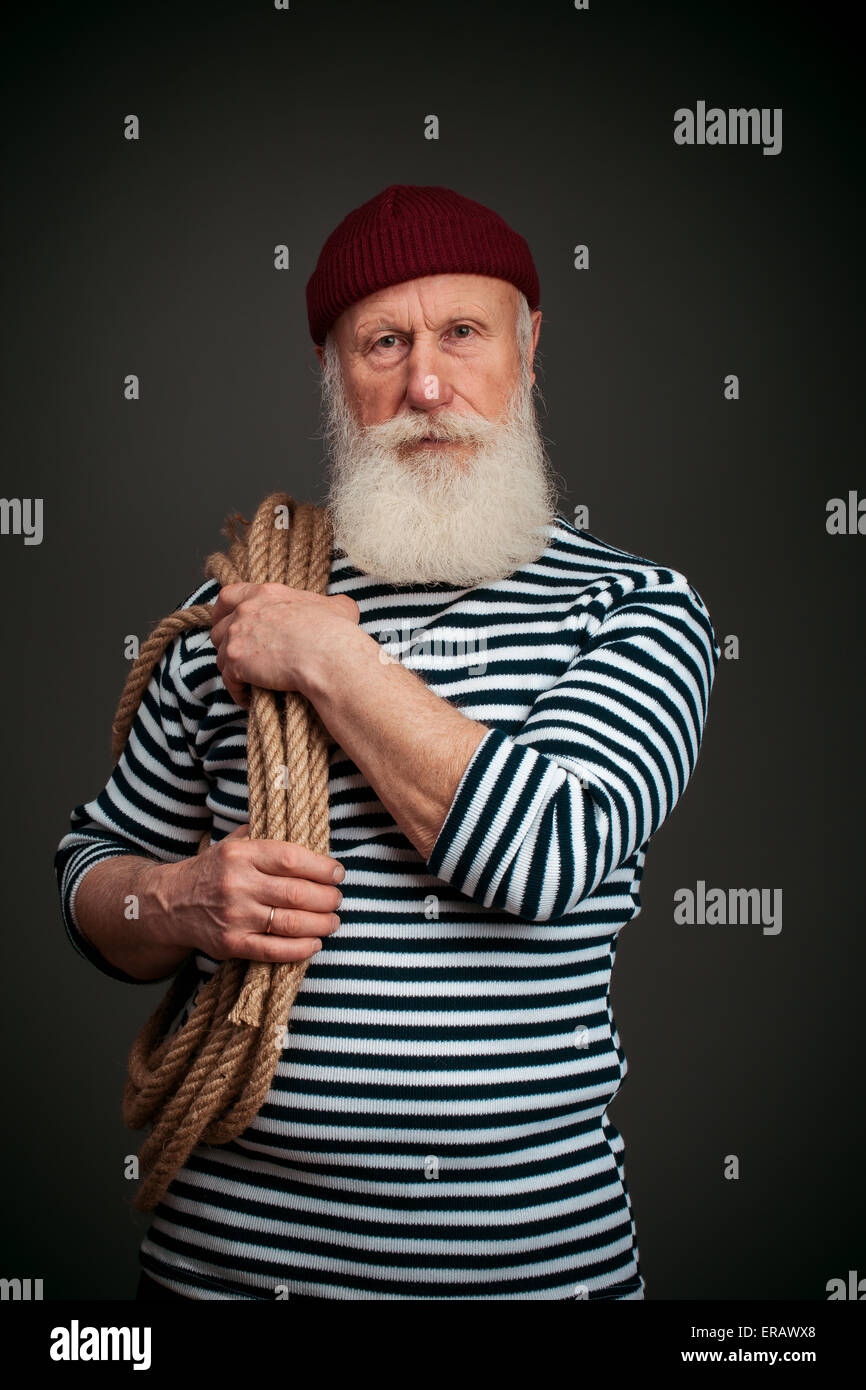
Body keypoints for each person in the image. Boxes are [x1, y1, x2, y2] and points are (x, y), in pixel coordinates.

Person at [54, 183, 720, 1300]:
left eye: (461, 332)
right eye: (382, 343)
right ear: (333, 370)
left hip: (527, 1275)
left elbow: (540, 854)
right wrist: (175, 898)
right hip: (224, 1273)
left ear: (527, 342)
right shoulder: (240, 606)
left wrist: (332, 661)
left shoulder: (636, 613)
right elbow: (89, 884)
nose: (425, 382)